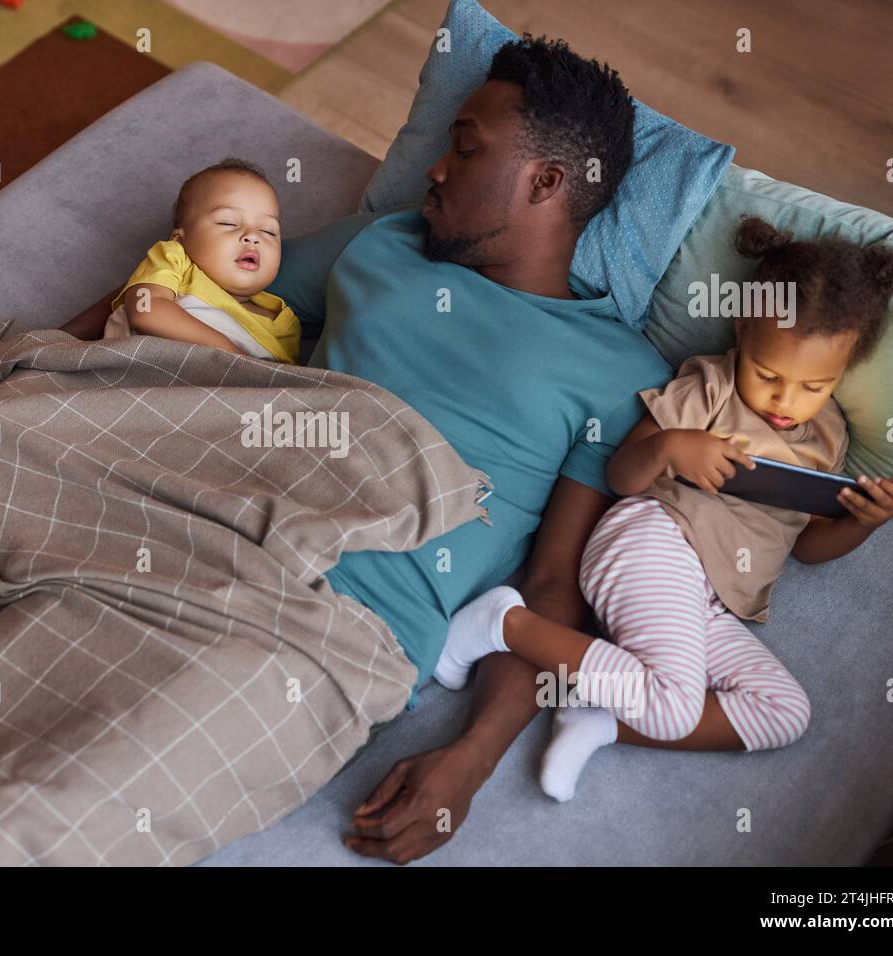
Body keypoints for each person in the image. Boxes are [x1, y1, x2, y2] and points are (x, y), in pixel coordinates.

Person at [64, 35, 669, 863]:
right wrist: (58, 360)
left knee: (69, 797)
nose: (435, 170)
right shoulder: (381, 242)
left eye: (464, 147)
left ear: (547, 182)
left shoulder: (619, 373)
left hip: (341, 628)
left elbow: (554, 582)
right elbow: (201, 304)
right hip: (198, 514)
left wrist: (472, 758)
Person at [437, 215, 893, 803]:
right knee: (674, 702)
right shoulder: (709, 388)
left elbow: (809, 547)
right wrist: (670, 446)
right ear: (741, 329)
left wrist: (861, 523)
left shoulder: (826, 438)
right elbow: (620, 475)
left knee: (785, 712)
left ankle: (600, 720)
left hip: (712, 597)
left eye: (815, 386)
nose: (787, 401)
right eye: (768, 375)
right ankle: (504, 623)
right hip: (651, 542)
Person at [101, 157, 301, 363]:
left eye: (268, 231)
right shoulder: (176, 262)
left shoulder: (284, 323)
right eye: (228, 222)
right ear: (180, 240)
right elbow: (145, 311)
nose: (253, 237)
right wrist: (232, 355)